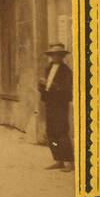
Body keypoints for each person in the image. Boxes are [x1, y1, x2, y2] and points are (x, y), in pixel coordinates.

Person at [38, 43, 73, 171]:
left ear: (62, 56)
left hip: (60, 104)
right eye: (52, 55)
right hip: (49, 103)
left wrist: (51, 85)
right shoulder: (48, 68)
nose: (55, 57)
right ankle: (58, 159)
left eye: (57, 55)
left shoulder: (66, 71)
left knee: (62, 132)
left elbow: (67, 90)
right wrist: (41, 85)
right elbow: (43, 87)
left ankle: (69, 162)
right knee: (51, 132)